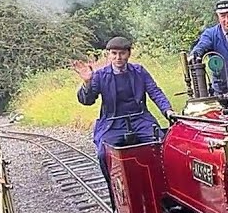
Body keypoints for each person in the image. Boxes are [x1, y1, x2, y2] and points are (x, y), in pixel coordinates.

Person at [73, 36, 174, 169]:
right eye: (114, 53)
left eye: (122, 53)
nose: (118, 57)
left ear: (129, 54)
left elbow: (155, 92)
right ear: (108, 55)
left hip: (140, 119)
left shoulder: (139, 71)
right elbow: (87, 100)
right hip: (112, 122)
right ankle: (114, 188)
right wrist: (87, 82)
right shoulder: (100, 75)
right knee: (104, 154)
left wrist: (167, 110)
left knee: (161, 145)